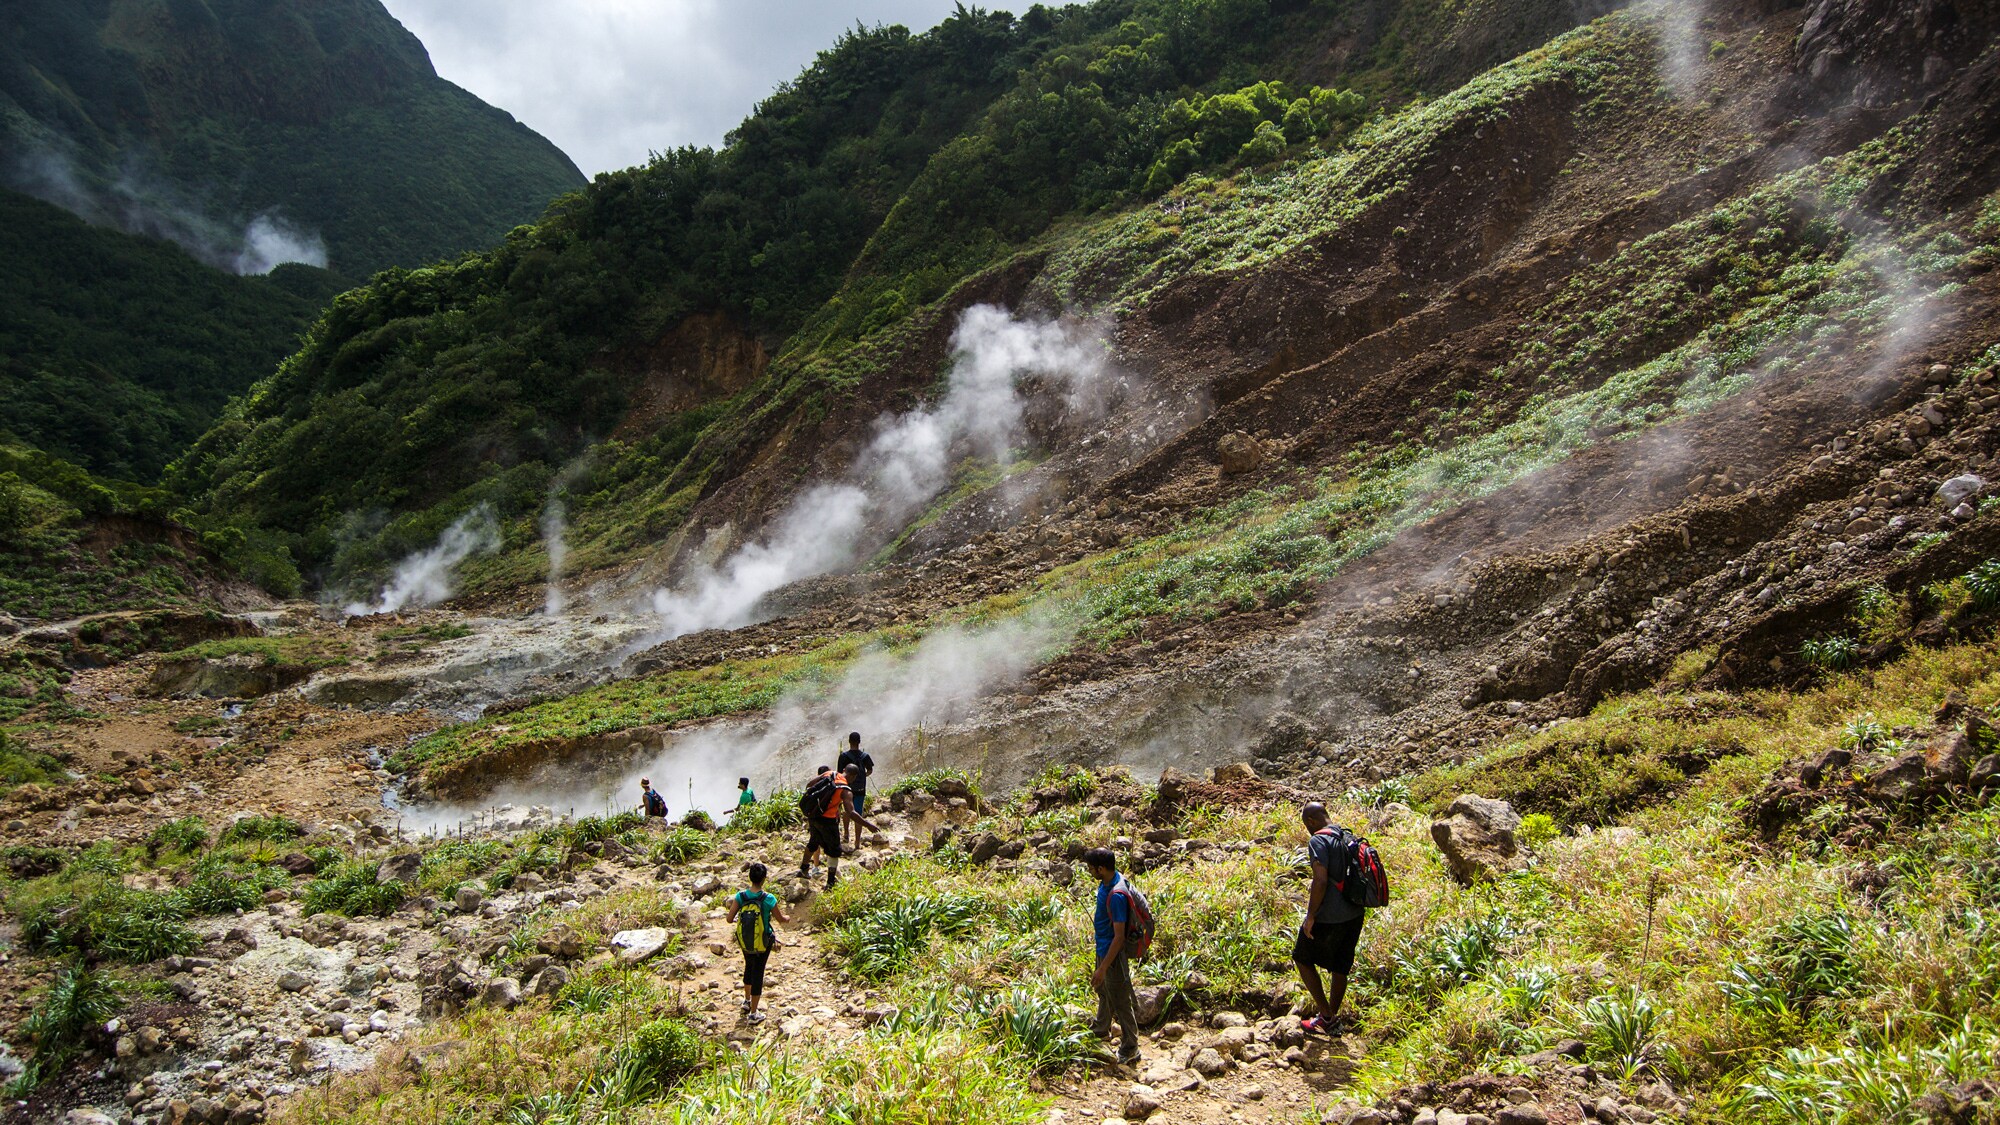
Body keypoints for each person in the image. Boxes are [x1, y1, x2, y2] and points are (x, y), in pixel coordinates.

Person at [1295, 801, 1366, 1033]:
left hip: (1330, 915)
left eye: (1306, 824)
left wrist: (1311, 916)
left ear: (1311, 821)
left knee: (1302, 957)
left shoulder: (1318, 840)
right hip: (1354, 913)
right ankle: (1331, 1018)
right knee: (1340, 966)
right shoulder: (1346, 835)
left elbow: (1321, 880)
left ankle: (1326, 1014)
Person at [1083, 847, 1141, 1065]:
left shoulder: (1116, 895)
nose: (1089, 872)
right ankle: (1101, 1027)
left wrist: (1104, 967)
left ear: (1101, 868)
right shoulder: (1108, 881)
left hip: (1112, 954)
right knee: (1104, 989)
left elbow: (1118, 937)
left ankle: (1130, 1047)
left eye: (1091, 869)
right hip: (1103, 948)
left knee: (1120, 999)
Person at [725, 862, 789, 1022]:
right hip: (763, 940)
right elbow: (780, 919)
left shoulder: (740, 896)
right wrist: (787, 918)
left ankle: (746, 1001)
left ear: (750, 878)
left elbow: (728, 919)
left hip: (745, 940)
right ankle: (754, 1013)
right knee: (758, 972)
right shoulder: (768, 899)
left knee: (749, 966)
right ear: (764, 879)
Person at [802, 764, 878, 890]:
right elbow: (851, 812)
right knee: (834, 850)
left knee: (813, 842)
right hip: (828, 821)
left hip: (814, 816)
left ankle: (803, 868)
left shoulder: (829, 774)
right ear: (853, 777)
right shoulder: (845, 790)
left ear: (843, 770)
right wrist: (868, 825)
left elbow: (809, 785)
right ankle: (830, 883)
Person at [836, 732, 874, 849]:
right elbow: (870, 770)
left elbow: (839, 774)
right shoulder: (865, 756)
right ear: (859, 742)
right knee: (858, 813)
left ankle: (846, 834)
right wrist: (862, 777)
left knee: (847, 810)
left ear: (849, 741)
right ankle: (857, 842)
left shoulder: (843, 756)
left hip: (847, 788)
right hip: (861, 788)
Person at [799, 765, 833, 876]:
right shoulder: (830, 785)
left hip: (814, 817)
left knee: (815, 841)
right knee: (830, 843)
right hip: (827, 818)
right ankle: (830, 870)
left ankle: (815, 866)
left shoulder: (814, 786)